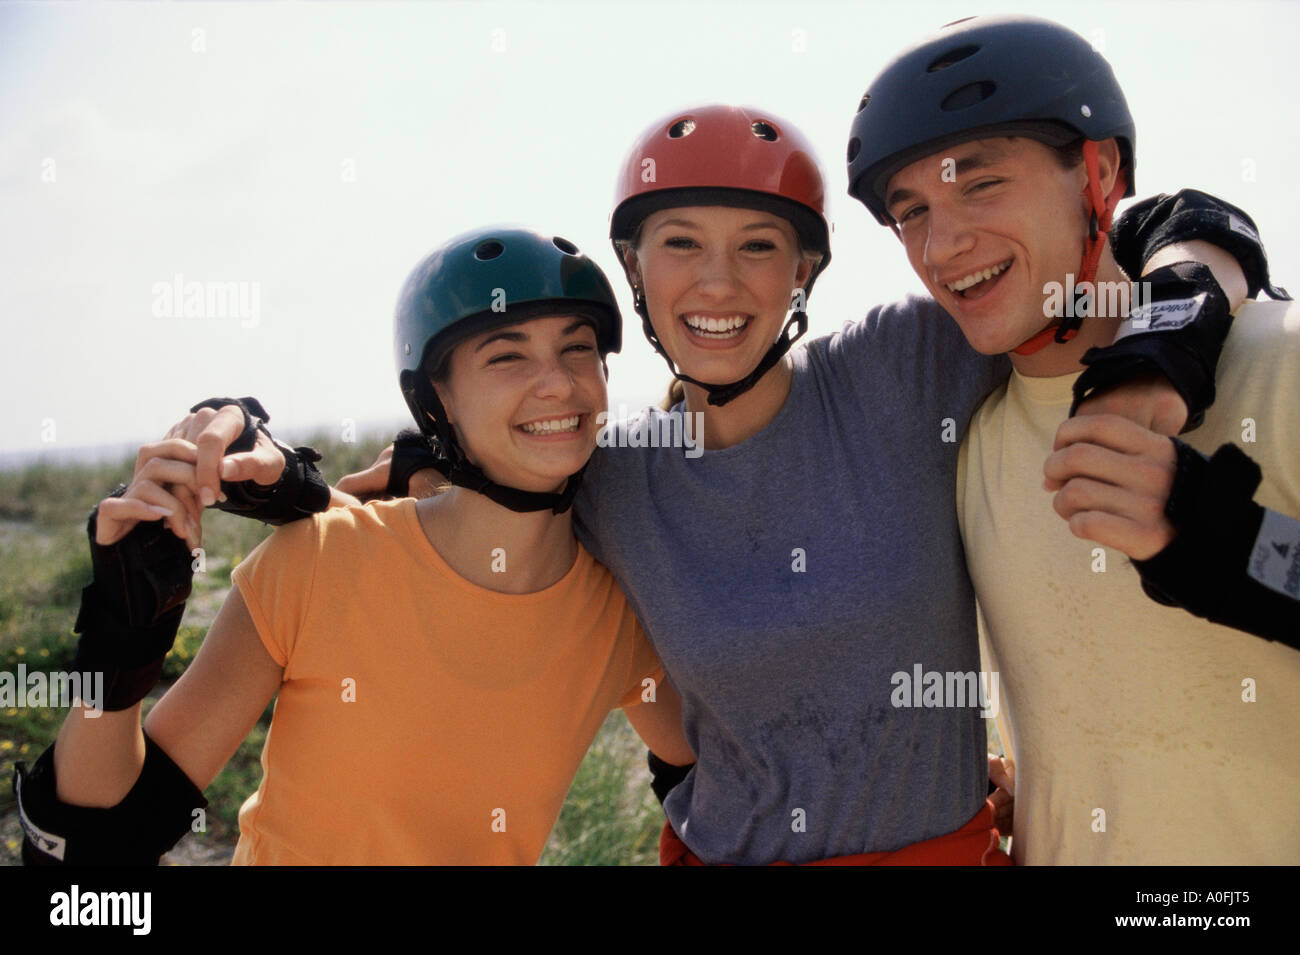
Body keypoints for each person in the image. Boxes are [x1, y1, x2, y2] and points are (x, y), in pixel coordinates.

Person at [297, 104, 1260, 865]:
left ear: (805, 270)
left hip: (937, 856)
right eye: (680, 244)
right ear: (632, 269)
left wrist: (1175, 332)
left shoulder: (903, 363)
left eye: (759, 246)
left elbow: (1158, 228)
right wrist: (282, 458)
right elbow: (454, 491)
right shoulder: (612, 475)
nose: (719, 285)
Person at [12, 226, 692, 865]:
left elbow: (714, 777)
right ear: (437, 403)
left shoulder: (617, 615)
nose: (558, 382)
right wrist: (121, 646)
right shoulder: (316, 560)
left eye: (578, 348)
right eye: (507, 354)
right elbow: (105, 839)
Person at [849, 13, 1299, 863]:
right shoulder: (964, 443)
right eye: (911, 212)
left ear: (1099, 174)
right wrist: (1054, 785)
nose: (943, 245)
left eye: (980, 185)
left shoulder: (1282, 361)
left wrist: (1225, 544)